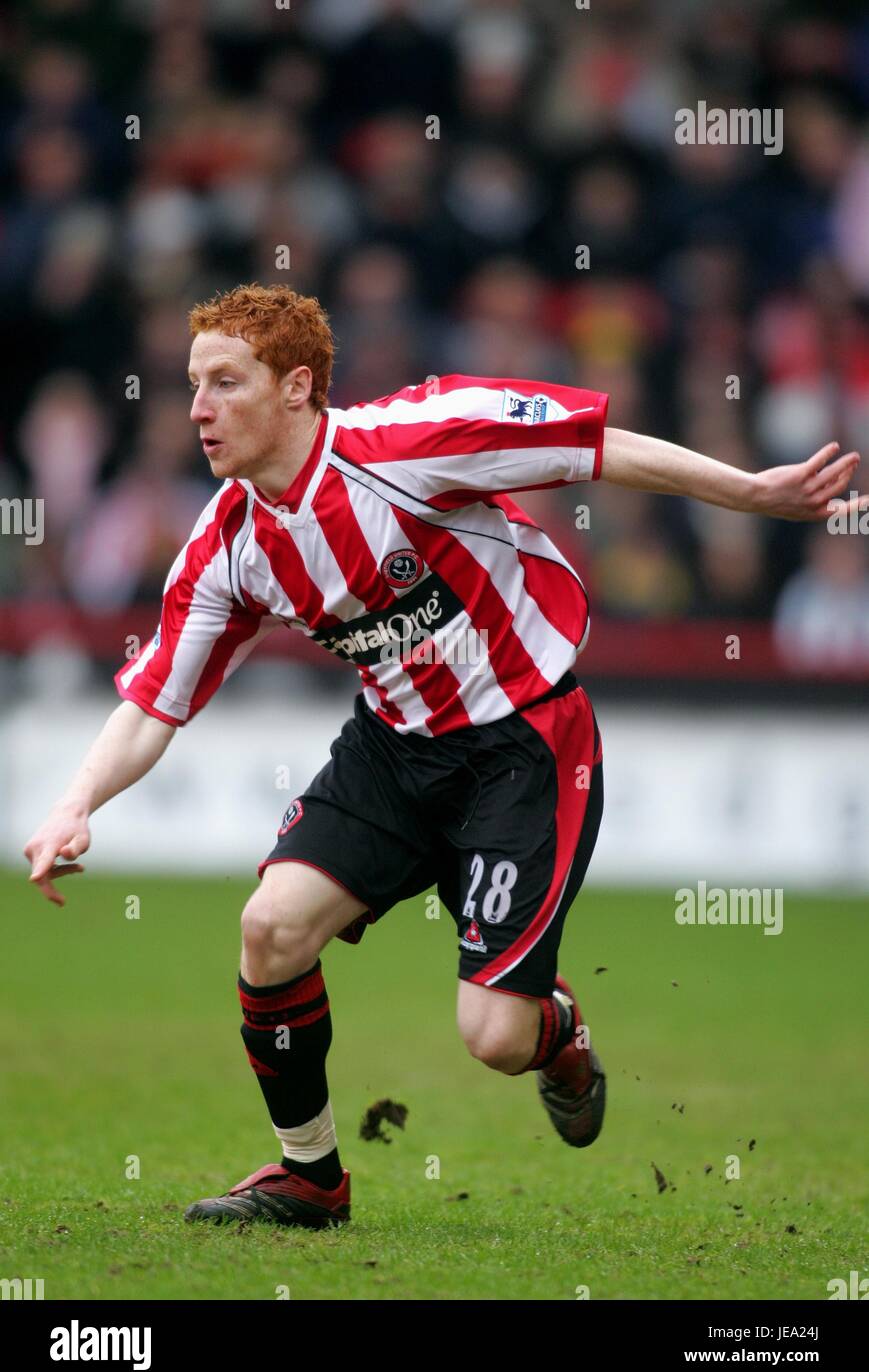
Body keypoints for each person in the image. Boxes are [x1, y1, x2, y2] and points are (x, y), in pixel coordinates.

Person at [23, 283, 863, 1230]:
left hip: (524, 742)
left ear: (297, 388)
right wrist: (76, 801)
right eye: (192, 385)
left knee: (494, 1038)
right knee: (270, 929)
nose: (198, 409)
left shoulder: (413, 439)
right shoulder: (227, 545)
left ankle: (560, 1032)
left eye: (225, 382)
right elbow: (156, 699)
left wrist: (749, 493)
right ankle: (310, 1180)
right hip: (393, 745)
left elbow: (596, 448)